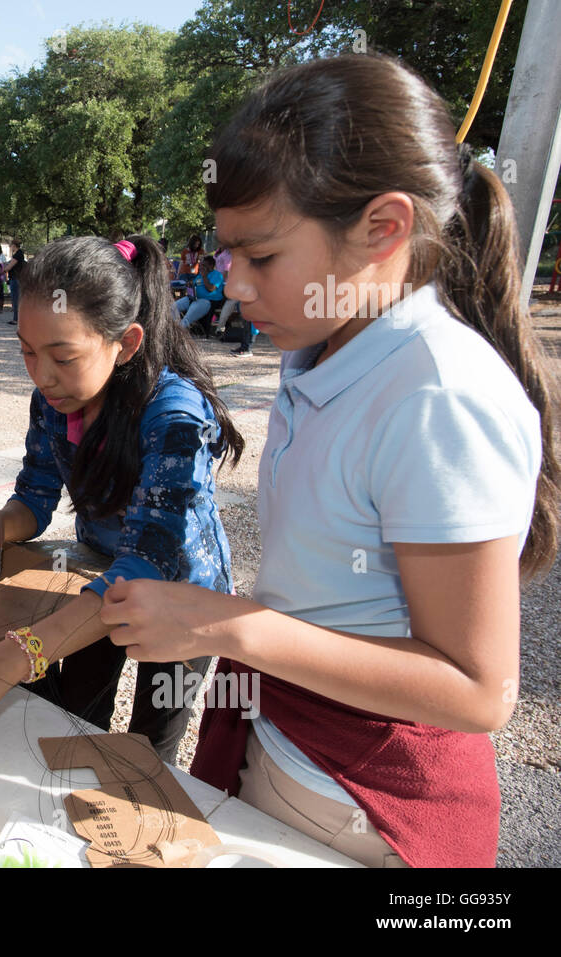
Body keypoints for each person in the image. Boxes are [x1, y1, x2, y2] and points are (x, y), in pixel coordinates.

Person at [99, 54, 558, 867]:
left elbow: (478, 689)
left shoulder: (438, 395)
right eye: (227, 252)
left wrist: (221, 623)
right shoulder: (323, 348)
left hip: (365, 811)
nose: (233, 284)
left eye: (262, 256)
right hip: (287, 757)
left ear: (382, 227)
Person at [0, 235, 244, 761]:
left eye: (63, 356)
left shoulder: (175, 417)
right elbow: (34, 497)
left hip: (184, 595)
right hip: (99, 579)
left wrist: (16, 656)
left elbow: (148, 562)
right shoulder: (54, 402)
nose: (42, 376)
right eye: (28, 351)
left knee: (147, 748)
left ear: (127, 343)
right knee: (74, 721)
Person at [174, 253, 224, 333]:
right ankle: (174, 326)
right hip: (194, 298)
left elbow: (211, 289)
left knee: (187, 317)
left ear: (211, 266)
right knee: (173, 307)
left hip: (207, 301)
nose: (201, 267)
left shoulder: (217, 275)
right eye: (201, 264)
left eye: (204, 265)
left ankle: (179, 331)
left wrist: (204, 276)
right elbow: (194, 284)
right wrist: (190, 285)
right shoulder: (200, 275)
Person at [5, 245, 26, 324]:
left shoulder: (17, 255)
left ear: (14, 246)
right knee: (18, 299)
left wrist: (4, 268)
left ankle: (16, 319)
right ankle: (18, 318)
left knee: (15, 299)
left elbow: (8, 267)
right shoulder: (20, 254)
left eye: (11, 246)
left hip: (15, 278)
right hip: (19, 278)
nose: (11, 248)